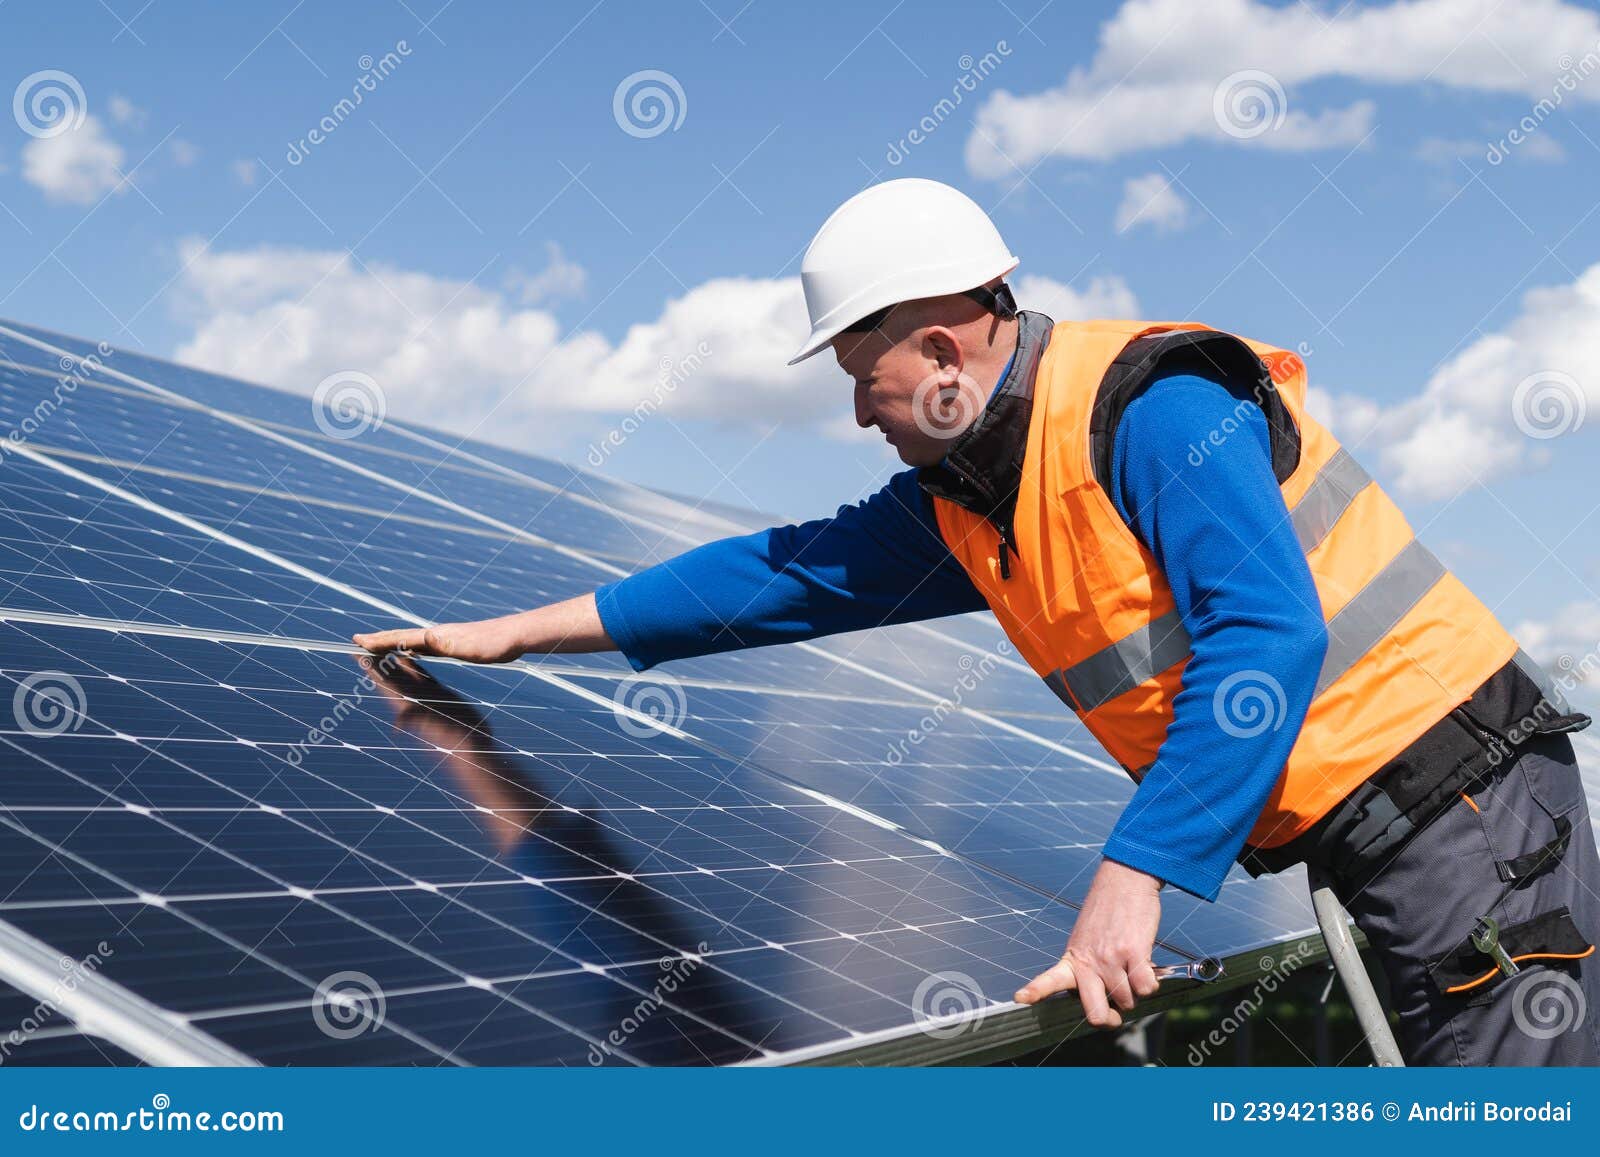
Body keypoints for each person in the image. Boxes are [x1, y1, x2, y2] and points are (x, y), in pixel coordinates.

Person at [356, 178, 1599, 1065]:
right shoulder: (970, 495)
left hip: (1469, 818)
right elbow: (779, 576)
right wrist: (517, 633)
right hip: (1388, 838)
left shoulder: (1152, 406)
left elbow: (1268, 633)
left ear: (945, 351)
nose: (860, 414)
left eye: (868, 381)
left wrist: (1136, 875)